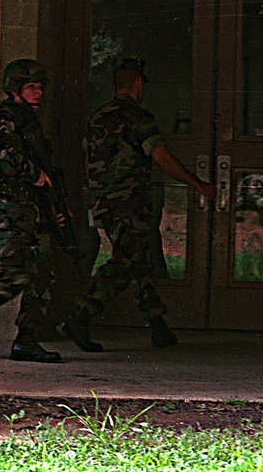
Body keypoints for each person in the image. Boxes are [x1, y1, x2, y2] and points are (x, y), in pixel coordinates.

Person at [57, 58, 216, 352]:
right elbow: (161, 157)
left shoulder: (97, 117)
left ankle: (158, 327)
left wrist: (96, 193)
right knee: (125, 262)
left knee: (139, 261)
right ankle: (80, 315)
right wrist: (198, 184)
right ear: (138, 83)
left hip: (106, 202)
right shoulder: (139, 117)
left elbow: (87, 159)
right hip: (130, 203)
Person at [0, 59, 65, 363]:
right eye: (31, 87)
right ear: (15, 89)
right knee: (12, 274)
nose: (38, 93)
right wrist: (34, 174)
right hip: (11, 211)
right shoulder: (7, 116)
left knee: (42, 273)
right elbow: (2, 156)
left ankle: (27, 339)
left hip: (30, 210)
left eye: (40, 87)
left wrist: (53, 206)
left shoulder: (27, 119)